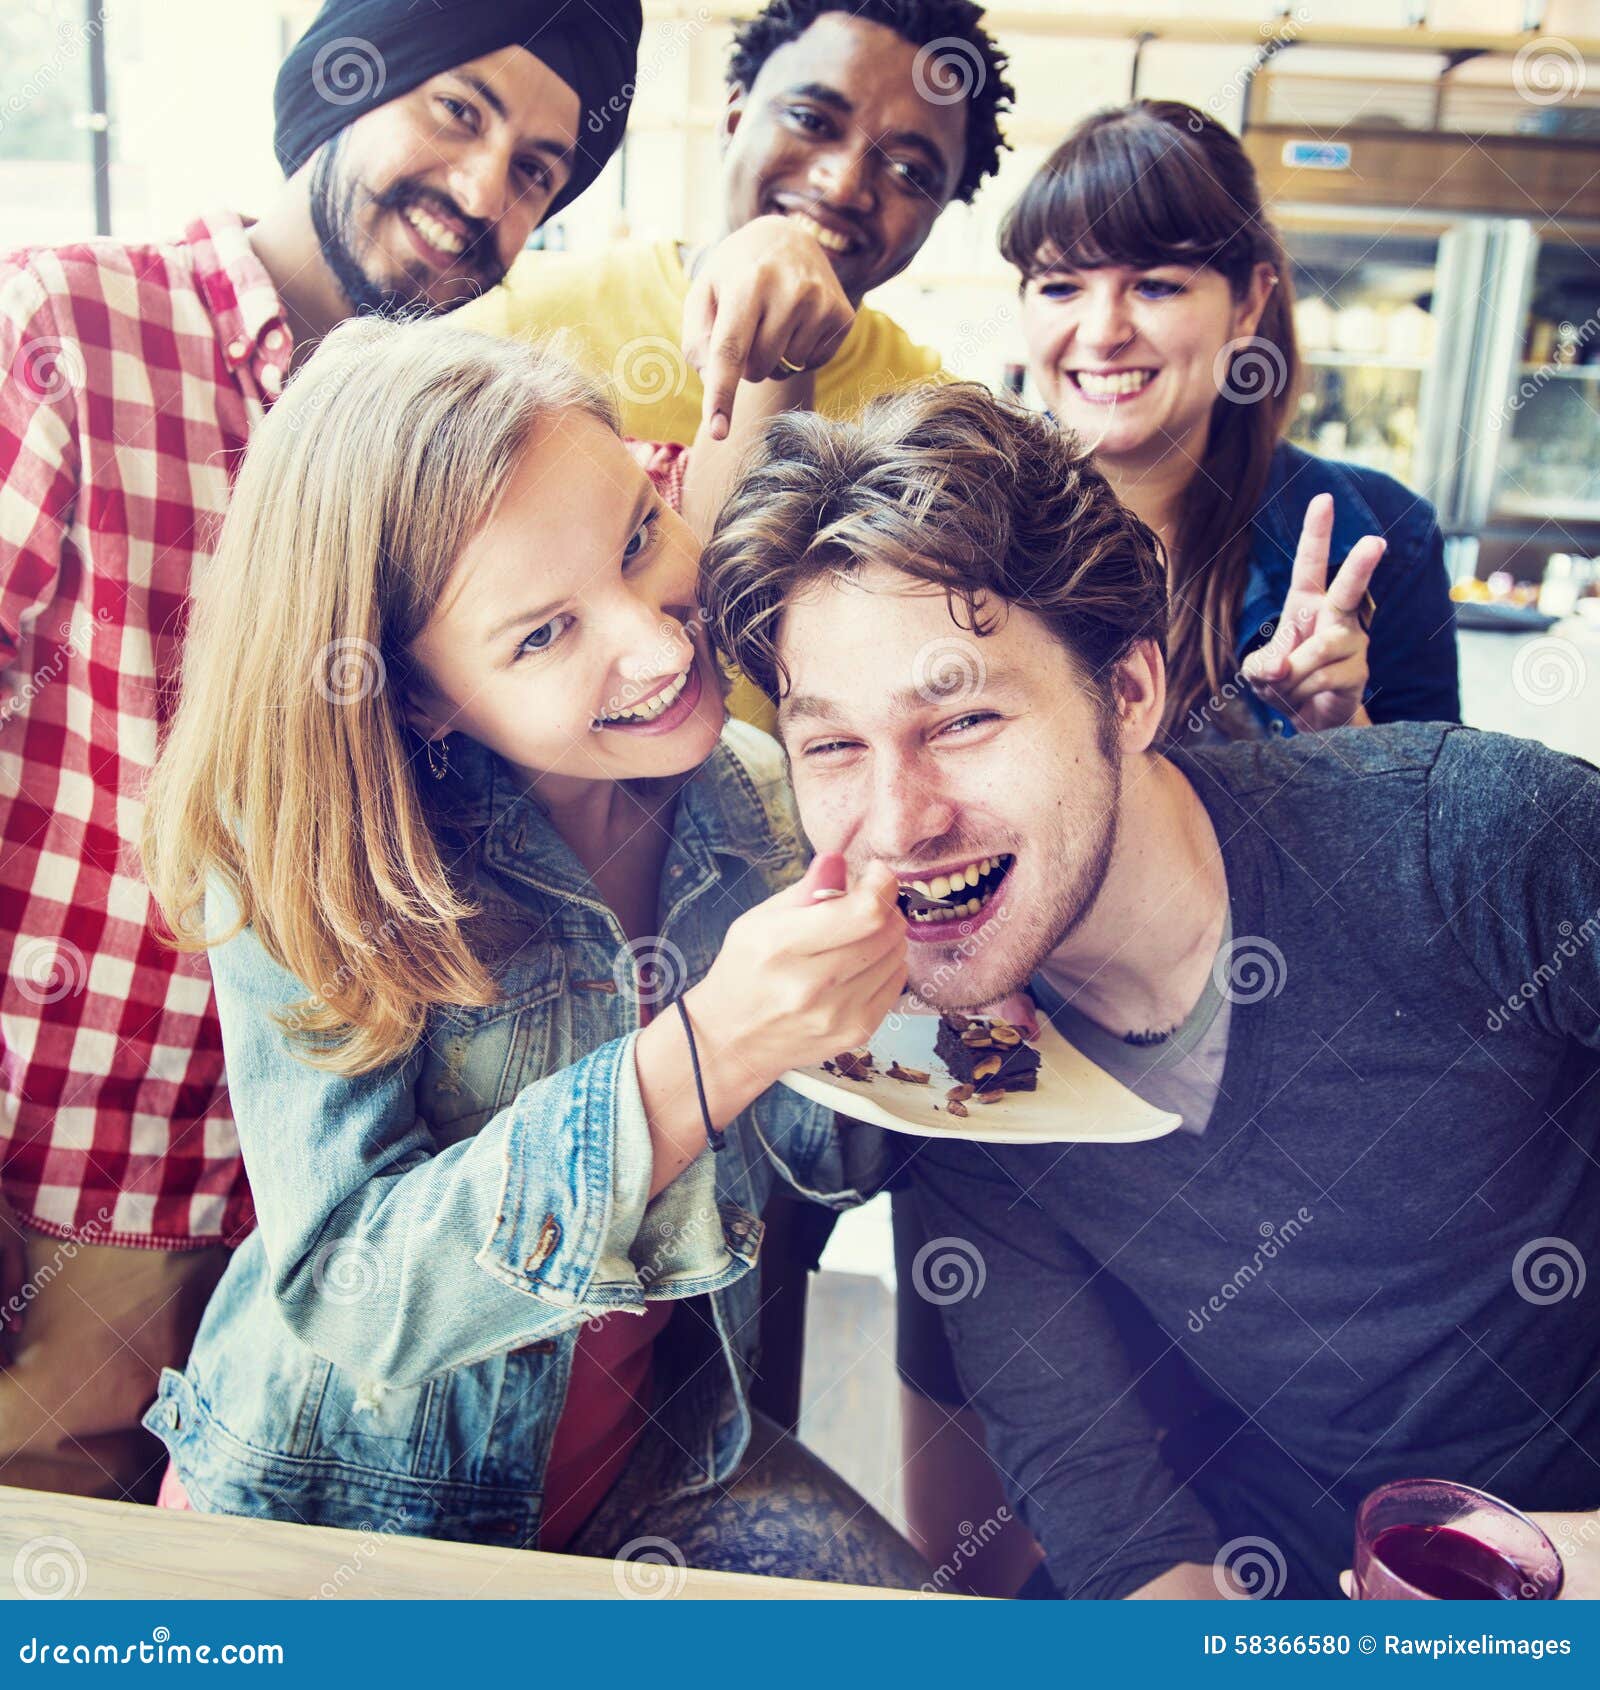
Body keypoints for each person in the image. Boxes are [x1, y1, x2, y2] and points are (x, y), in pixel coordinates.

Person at [699, 381, 1600, 1600]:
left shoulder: (1481, 841)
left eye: (961, 719)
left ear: (1129, 692)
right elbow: (1103, 1496)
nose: (897, 822)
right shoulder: (956, 1068)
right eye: (834, 745)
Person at [137, 315, 924, 1585]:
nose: (661, 645)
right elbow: (351, 1290)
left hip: (653, 1473)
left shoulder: (759, 796)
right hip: (330, 1521)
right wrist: (705, 1052)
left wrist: (932, 988)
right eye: (543, 634)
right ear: (417, 694)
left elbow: (824, 1156)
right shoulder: (305, 860)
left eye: (637, 538)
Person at [0, 0, 644, 1503]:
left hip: (320, 1208)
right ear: (342, 80)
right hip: (63, 1177)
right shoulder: (72, 329)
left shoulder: (454, 441)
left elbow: (650, 559)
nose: (483, 192)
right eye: (459, 110)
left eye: (538, 169)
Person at [1004, 100, 1459, 743]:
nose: (1103, 333)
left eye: (1155, 285)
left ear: (1247, 303)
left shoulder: (1386, 536)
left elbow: (1435, 802)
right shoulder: (959, 524)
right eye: (1060, 287)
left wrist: (1338, 733)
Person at [461, 0, 1012, 444]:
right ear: (733, 121)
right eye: (811, 120)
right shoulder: (510, 321)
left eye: (909, 171)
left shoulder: (932, 426)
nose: (842, 185)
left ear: (942, 208)